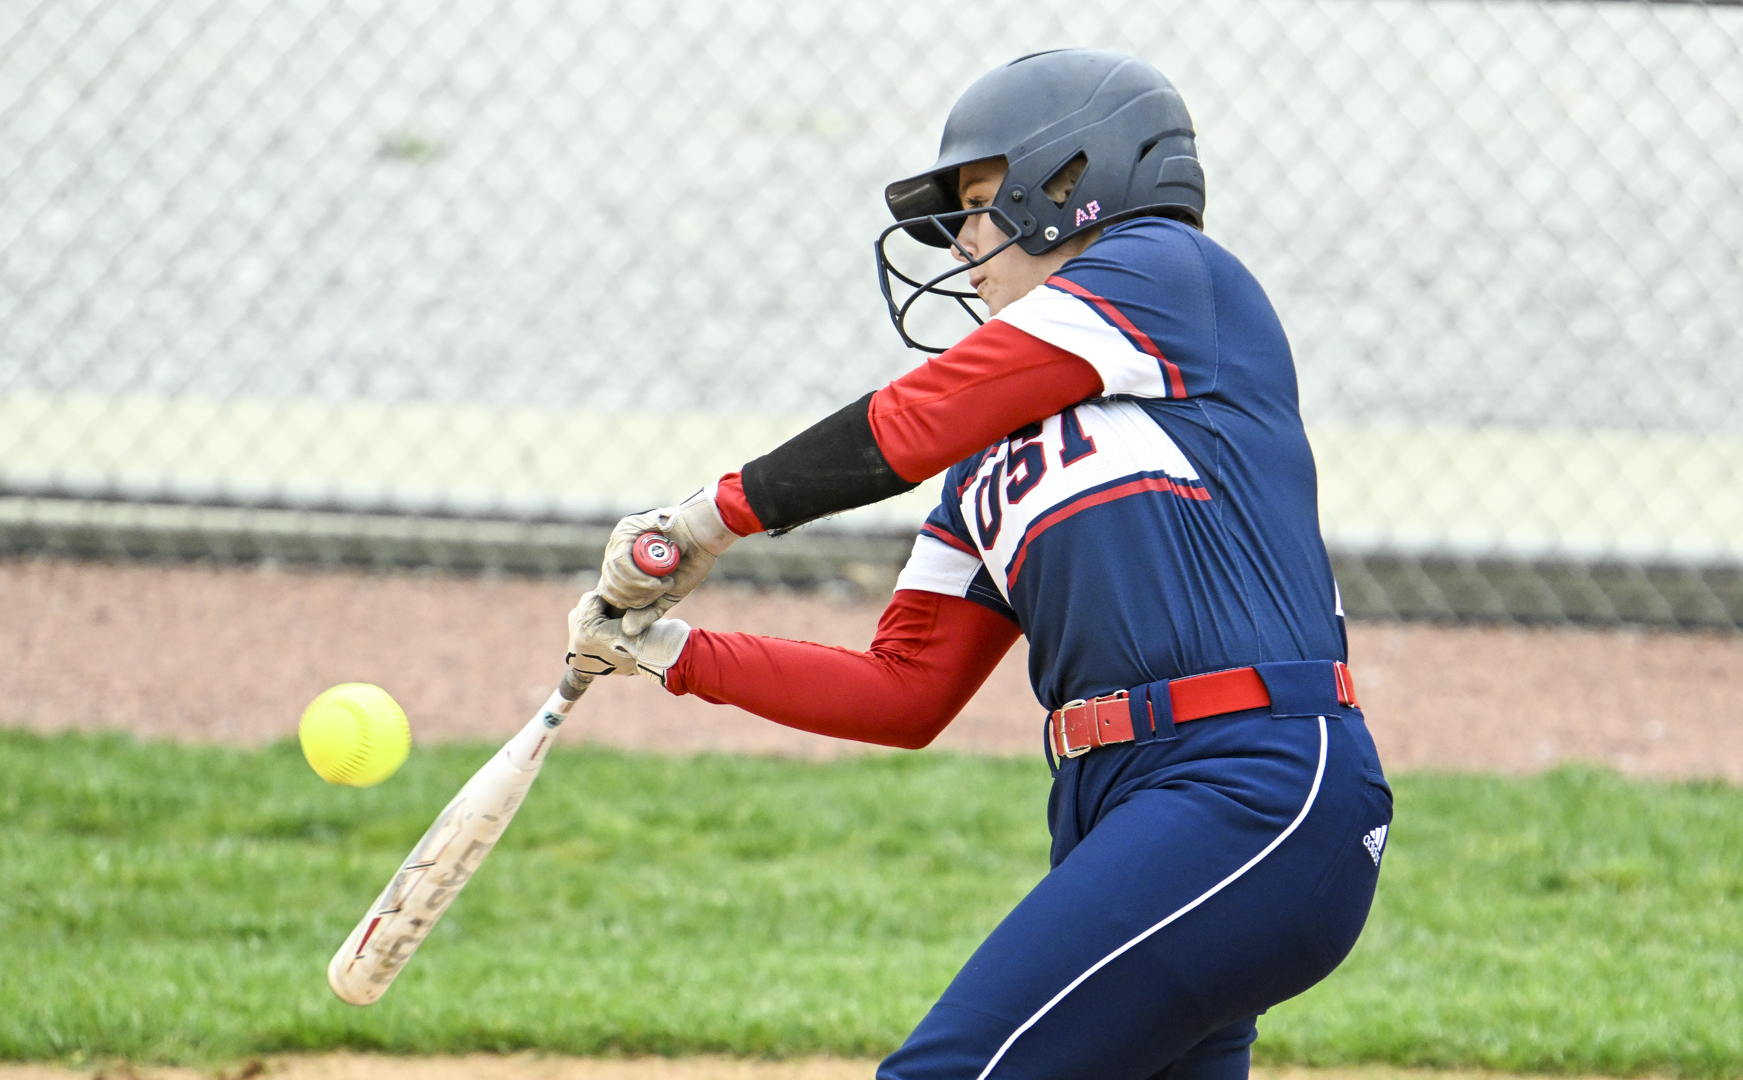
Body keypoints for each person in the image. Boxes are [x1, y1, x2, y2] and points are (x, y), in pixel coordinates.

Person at [566, 48, 1392, 1080]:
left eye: (982, 199)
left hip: (1249, 782)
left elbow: (918, 414)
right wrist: (674, 650)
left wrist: (702, 523)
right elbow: (903, 692)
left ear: (1072, 182)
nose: (962, 239)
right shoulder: (991, 467)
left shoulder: (1170, 275)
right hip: (1116, 809)